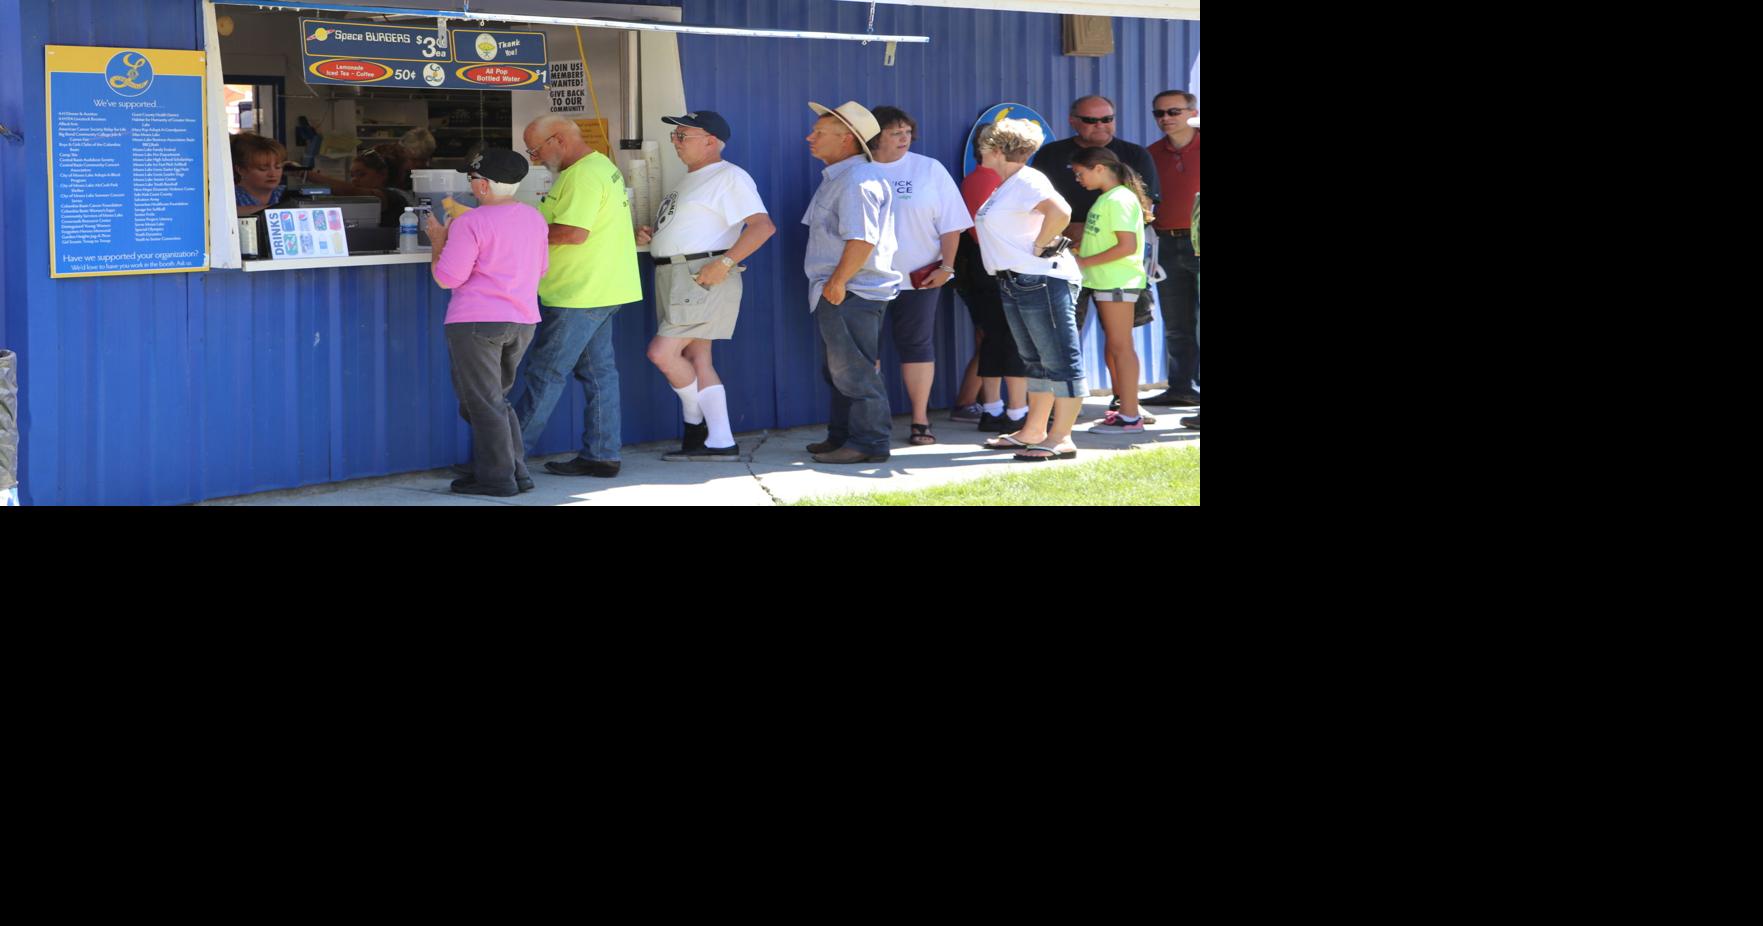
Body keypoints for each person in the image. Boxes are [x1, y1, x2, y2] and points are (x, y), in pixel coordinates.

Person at [635, 110, 775, 460]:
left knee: (662, 353)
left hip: (699, 274)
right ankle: (716, 440)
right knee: (697, 357)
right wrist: (656, 236)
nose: (675, 141)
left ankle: (698, 426)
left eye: (683, 136)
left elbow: (762, 226)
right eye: (675, 135)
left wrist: (724, 263)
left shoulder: (729, 176)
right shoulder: (691, 179)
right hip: (676, 274)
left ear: (710, 141)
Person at [514, 114, 643, 478]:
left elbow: (572, 233)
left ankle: (506, 459)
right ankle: (602, 454)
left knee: (546, 373)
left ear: (559, 139)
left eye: (535, 150)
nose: (535, 158)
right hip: (603, 287)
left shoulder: (582, 175)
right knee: (599, 374)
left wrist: (520, 231)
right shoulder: (599, 165)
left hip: (580, 293)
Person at [424, 149, 550, 497]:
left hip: (476, 322)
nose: (469, 185)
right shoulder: (534, 219)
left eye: (471, 179)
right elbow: (541, 270)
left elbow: (447, 277)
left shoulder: (470, 223)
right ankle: (515, 472)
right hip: (522, 320)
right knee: (496, 400)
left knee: (482, 403)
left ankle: (497, 479)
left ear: (482, 186)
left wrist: (438, 243)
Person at [1033, 95, 1159, 413]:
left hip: (1112, 272)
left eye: (1107, 119)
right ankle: (1070, 405)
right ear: (1073, 120)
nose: (1101, 125)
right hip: (1070, 260)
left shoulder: (1121, 189)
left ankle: (1127, 405)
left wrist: (1085, 252)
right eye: (1092, 120)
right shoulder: (1052, 155)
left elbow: (1137, 226)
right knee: (1064, 332)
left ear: (1101, 168)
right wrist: (1069, 236)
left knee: (1119, 340)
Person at [973, 118, 1086, 461]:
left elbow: (1061, 211)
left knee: (1059, 359)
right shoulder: (1011, 183)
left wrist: (1041, 245)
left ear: (996, 149)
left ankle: (1061, 436)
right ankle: (1034, 430)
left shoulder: (1027, 179)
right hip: (1019, 280)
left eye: (985, 144)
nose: (980, 150)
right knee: (1035, 361)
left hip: (1040, 278)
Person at [801, 101, 901, 465]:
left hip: (851, 290)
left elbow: (862, 239)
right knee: (839, 370)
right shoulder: (845, 177)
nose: (809, 137)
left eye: (819, 133)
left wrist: (838, 282)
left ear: (846, 140)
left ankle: (870, 443)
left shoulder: (857, 180)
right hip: (844, 289)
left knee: (854, 372)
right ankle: (842, 437)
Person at [866, 106, 971, 446]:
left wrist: (947, 267)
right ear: (875, 134)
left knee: (917, 345)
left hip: (920, 279)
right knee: (867, 350)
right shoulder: (858, 169)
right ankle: (872, 421)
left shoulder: (928, 169)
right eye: (896, 132)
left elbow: (952, 224)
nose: (904, 138)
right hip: (867, 279)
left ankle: (920, 420)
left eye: (908, 132)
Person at [952, 122, 1030, 435]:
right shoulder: (984, 180)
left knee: (997, 340)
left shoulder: (996, 180)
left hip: (994, 267)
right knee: (1008, 339)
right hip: (992, 270)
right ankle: (1012, 411)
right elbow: (980, 230)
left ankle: (996, 408)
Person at [1069, 147, 1154, 432]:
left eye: (1080, 173)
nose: (1078, 180)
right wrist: (1079, 250)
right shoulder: (1110, 198)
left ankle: (1130, 415)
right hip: (1106, 280)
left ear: (1099, 168)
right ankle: (1126, 412)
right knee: (1116, 346)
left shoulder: (1118, 199)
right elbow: (1106, 240)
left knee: (1121, 347)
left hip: (1117, 281)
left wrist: (1083, 261)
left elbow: (1127, 247)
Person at [1142, 90, 1202, 408]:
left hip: (1199, 243)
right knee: (1176, 322)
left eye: (1174, 111)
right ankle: (1181, 388)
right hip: (1166, 243)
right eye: (1159, 113)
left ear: (1193, 112)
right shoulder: (1150, 154)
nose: (1165, 118)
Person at [306, 146, 411, 227]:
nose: (354, 180)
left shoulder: (393, 196)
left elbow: (350, 191)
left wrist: (306, 174)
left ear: (382, 174)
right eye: (352, 175)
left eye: (362, 174)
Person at [232, 133, 286, 216]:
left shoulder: (288, 193)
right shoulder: (230, 197)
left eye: (278, 167)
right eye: (263, 168)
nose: (273, 174)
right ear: (241, 170)